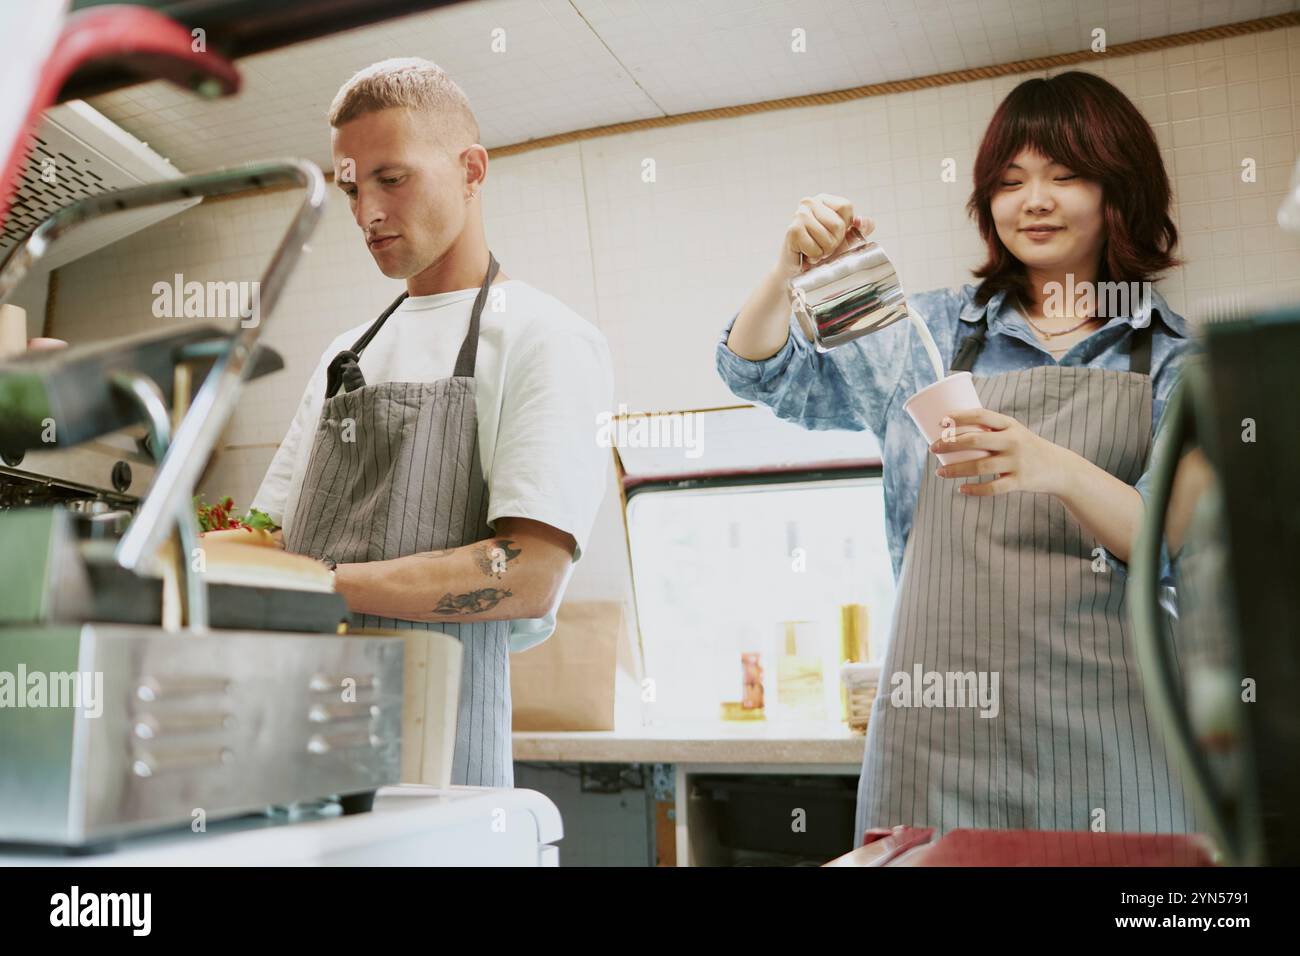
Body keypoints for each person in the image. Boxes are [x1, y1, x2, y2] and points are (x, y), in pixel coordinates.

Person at [715, 71, 1200, 840]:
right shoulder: (927, 334)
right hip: (938, 737)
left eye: (1065, 175)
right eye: (1010, 182)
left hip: (1111, 734)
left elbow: (1168, 545)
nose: (1033, 199)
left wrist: (1055, 467)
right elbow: (761, 373)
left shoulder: (1177, 360)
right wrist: (789, 274)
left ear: (1121, 191)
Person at [253, 58, 614, 788]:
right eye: (351, 188)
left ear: (472, 170)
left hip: (445, 770)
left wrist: (320, 583)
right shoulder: (345, 351)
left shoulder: (546, 337)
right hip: (303, 757)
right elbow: (270, 540)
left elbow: (528, 573)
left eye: (393, 178)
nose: (367, 213)